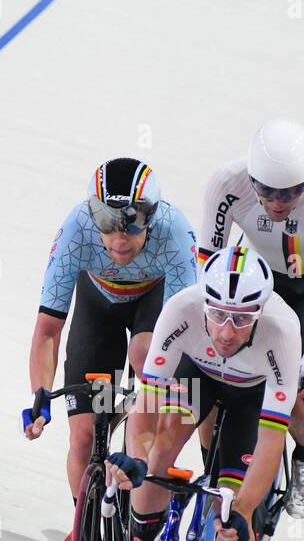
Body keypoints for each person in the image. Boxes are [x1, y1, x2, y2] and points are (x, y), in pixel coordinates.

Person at [104, 244, 300, 541]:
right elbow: (147, 404)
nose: (228, 331)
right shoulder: (182, 310)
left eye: (242, 319)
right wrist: (135, 458)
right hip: (198, 380)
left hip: (253, 397)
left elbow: (270, 441)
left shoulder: (283, 333)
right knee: (157, 460)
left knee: (231, 515)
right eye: (219, 315)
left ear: (260, 313)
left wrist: (245, 511)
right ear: (204, 303)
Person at [196, 118, 304, 518]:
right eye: (266, 190)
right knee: (212, 370)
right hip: (254, 281)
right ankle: (213, 467)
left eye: (289, 193)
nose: (276, 201)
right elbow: (207, 265)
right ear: (251, 177)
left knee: (298, 395)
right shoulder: (227, 184)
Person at [23, 158, 198, 500]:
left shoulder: (175, 230)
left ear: (152, 215)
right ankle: (86, 536)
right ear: (93, 215)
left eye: (132, 222)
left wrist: (155, 393)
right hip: (99, 307)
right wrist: (40, 395)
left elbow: (185, 333)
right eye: (106, 221)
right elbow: (47, 329)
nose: (119, 238)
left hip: (154, 306)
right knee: (83, 438)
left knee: (144, 359)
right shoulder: (77, 228)